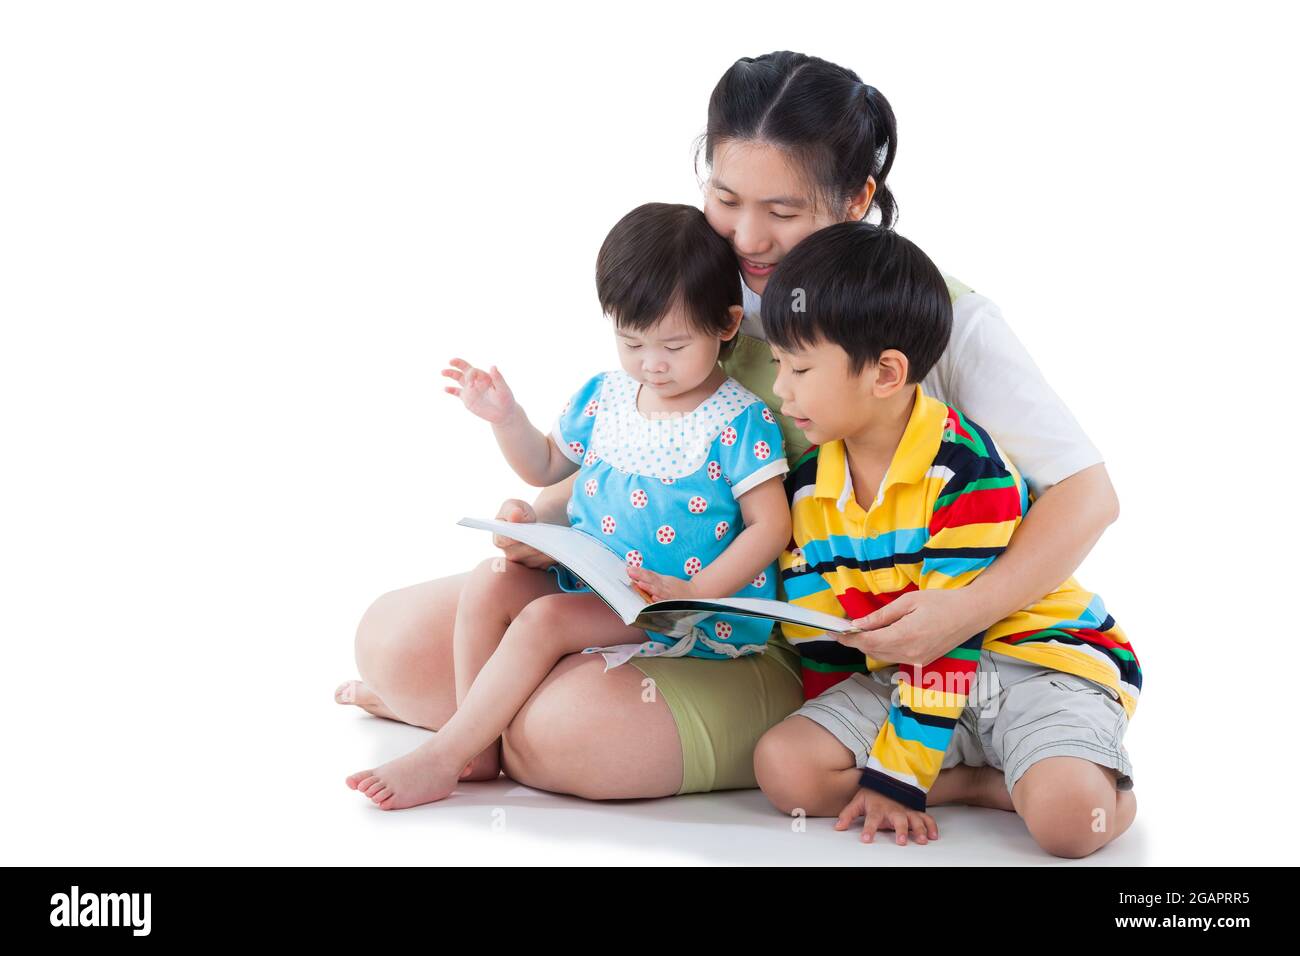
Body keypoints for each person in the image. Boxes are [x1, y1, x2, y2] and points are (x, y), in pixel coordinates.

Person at [337, 51, 1122, 804]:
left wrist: (958, 613)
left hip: (799, 632)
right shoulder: (710, 285)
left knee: (561, 738)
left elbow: (1087, 495)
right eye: (727, 198)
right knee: (390, 641)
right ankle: (499, 723)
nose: (747, 238)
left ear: (857, 199)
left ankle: (515, 725)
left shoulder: (936, 319)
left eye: (783, 212)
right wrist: (542, 521)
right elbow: (649, 446)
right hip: (649, 577)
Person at [345, 203, 790, 809]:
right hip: (597, 582)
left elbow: (771, 527)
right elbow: (547, 466)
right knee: (490, 582)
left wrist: (696, 592)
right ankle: (475, 746)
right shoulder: (606, 396)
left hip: (678, 606)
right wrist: (507, 420)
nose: (651, 364)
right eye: (631, 341)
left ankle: (444, 756)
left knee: (543, 621)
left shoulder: (741, 421)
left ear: (728, 324)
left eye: (674, 345)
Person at [754, 221, 1139, 858]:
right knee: (786, 770)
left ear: (885, 374)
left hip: (1032, 663)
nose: (780, 389)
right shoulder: (807, 489)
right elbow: (826, 646)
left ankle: (1086, 776)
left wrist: (897, 780)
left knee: (1071, 824)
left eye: (798, 368)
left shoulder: (964, 469)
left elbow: (951, 635)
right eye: (777, 365)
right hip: (910, 676)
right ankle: (979, 785)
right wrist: (834, 726)